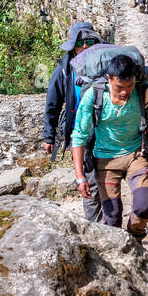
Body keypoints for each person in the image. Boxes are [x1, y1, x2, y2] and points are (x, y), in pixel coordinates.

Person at [71, 54, 148, 238]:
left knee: (144, 205)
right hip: (105, 161)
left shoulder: (143, 91)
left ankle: (135, 238)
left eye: (129, 86)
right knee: (111, 217)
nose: (125, 92)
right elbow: (79, 136)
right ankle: (116, 247)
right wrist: (80, 176)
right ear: (109, 79)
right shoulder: (94, 95)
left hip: (136, 154)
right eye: (119, 87)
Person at [43, 21, 104, 221]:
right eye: (81, 43)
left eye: (89, 42)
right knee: (90, 180)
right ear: (73, 46)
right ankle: (96, 226)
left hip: (106, 130)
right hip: (80, 133)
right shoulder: (64, 70)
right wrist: (49, 136)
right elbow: (53, 103)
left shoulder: (105, 64)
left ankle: (108, 222)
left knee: (107, 178)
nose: (85, 46)